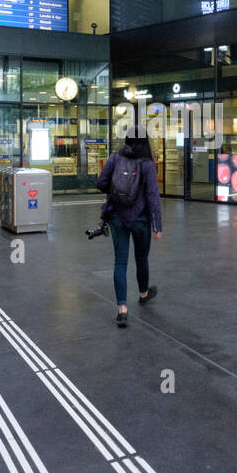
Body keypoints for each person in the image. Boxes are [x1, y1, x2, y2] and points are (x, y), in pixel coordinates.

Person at [96, 135, 163, 329]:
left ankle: (122, 310)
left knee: (120, 262)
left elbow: (101, 183)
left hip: (117, 217)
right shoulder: (147, 164)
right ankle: (143, 293)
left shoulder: (115, 158)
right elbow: (152, 195)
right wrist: (157, 226)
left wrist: (116, 190)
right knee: (142, 258)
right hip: (141, 219)